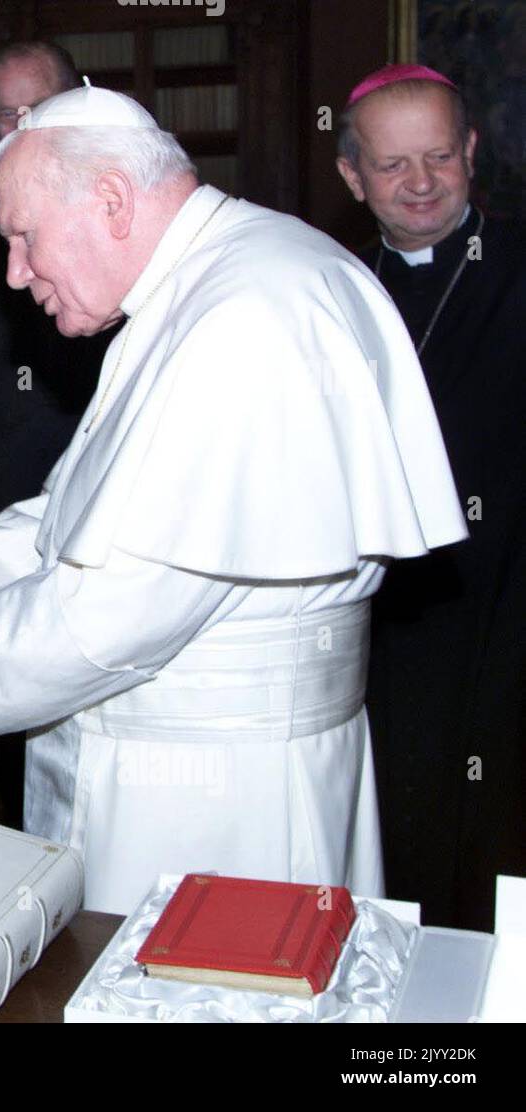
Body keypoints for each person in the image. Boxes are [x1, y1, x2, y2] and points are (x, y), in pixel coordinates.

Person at [0, 82, 467, 915]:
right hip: (195, 775)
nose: (17, 276)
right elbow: (87, 509)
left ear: (109, 200)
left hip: (222, 807)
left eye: (23, 238)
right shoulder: (212, 282)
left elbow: (124, 603)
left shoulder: (246, 313)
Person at [336, 64, 526, 932]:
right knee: (401, 823)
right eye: (392, 165)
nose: (418, 183)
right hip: (393, 616)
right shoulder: (331, 289)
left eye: (439, 157)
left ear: (472, 153)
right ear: (352, 176)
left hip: (511, 603)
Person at [0, 40, 114, 829]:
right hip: (13, 460)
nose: (20, 127)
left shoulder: (120, 207)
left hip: (107, 451)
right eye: (5, 115)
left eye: (38, 109)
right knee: (11, 656)